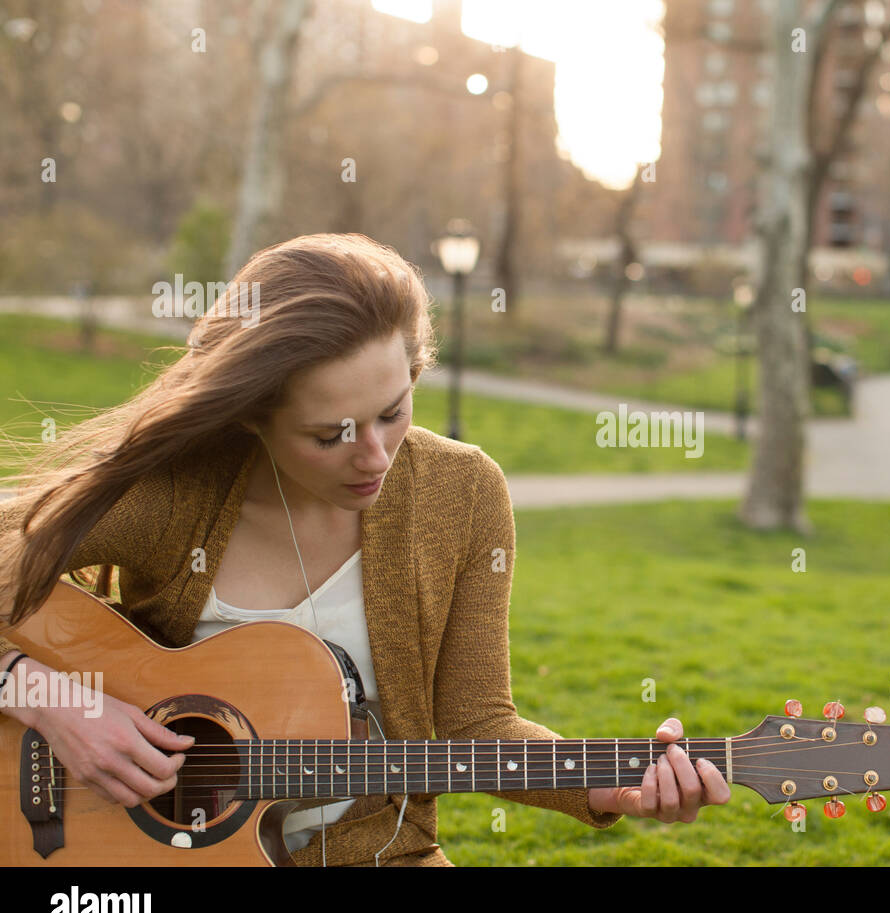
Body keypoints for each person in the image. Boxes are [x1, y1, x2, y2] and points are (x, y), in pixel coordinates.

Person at [0, 233, 730, 866]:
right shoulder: (174, 493)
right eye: (330, 435)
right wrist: (53, 700)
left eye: (393, 412)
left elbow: (479, 727)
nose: (374, 456)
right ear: (253, 417)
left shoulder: (461, 494)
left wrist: (610, 782)